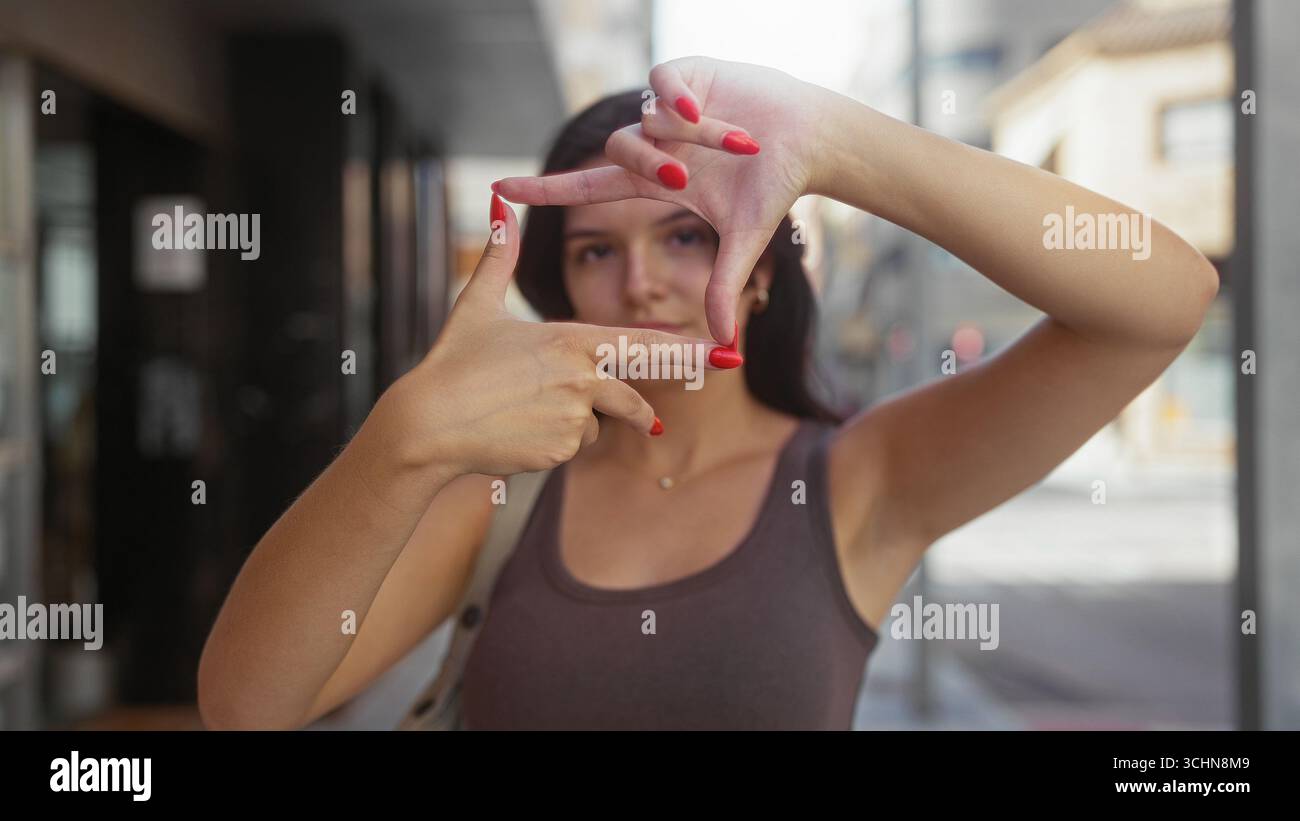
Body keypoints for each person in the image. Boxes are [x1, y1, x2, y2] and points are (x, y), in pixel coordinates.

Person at [197, 56, 1218, 730]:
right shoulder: (499, 494)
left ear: (763, 267)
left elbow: (1162, 298)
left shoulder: (857, 477)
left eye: (686, 234)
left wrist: (835, 143)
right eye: (597, 249)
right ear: (562, 286)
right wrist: (401, 438)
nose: (640, 282)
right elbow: (245, 706)